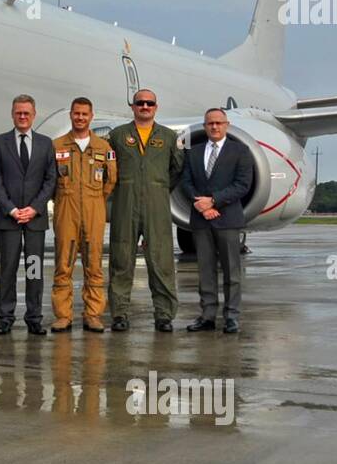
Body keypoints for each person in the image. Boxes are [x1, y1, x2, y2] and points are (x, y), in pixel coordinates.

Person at [107, 88, 183, 332]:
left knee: (161, 261)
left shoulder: (169, 137)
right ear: (133, 106)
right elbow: (109, 167)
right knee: (121, 260)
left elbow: (178, 169)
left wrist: (158, 187)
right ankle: (119, 314)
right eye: (140, 103)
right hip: (125, 204)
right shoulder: (118, 135)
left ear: (156, 107)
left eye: (150, 103)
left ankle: (163, 315)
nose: (145, 107)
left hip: (156, 206)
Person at [180, 108, 254, 334]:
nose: (214, 127)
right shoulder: (194, 152)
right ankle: (207, 315)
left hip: (227, 218)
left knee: (232, 271)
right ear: (205, 126)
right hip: (202, 220)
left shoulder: (240, 151)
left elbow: (243, 184)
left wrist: (213, 202)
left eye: (219, 123)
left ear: (227, 125)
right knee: (205, 271)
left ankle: (231, 316)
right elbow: (186, 182)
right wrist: (201, 205)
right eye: (210, 123)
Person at [50, 97, 117, 332]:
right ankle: (63, 315)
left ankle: (93, 314)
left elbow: (111, 180)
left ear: (91, 116)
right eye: (76, 113)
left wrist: (95, 198)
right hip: (66, 210)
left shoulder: (103, 148)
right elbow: (49, 180)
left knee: (94, 264)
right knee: (63, 264)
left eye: (84, 114)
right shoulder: (57, 146)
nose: (80, 118)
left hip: (93, 210)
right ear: (71, 115)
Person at [0, 95, 55, 335]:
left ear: (34, 114)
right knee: (8, 270)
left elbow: (51, 180)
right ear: (12, 114)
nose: (23, 116)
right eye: (18, 112)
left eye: (27, 113)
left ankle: (34, 316)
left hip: (35, 221)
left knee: (34, 270)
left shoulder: (46, 144)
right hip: (9, 220)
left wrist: (35, 208)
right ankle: (5, 318)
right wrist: (11, 209)